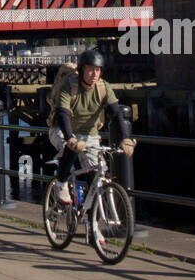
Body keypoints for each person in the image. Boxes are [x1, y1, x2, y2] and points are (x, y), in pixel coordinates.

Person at [50, 48, 135, 207]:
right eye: (90, 70)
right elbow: (62, 114)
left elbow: (116, 114)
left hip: (90, 135)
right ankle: (61, 184)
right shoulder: (68, 85)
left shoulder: (103, 87)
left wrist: (126, 138)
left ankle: (91, 223)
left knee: (96, 174)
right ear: (82, 70)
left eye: (97, 70)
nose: (94, 74)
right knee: (70, 148)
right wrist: (71, 138)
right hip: (62, 130)